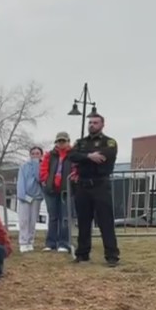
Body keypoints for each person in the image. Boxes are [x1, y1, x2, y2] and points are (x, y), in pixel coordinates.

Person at [68, 114, 120, 267]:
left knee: (105, 222)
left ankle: (111, 256)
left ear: (102, 125)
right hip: (83, 185)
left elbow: (107, 155)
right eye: (90, 122)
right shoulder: (80, 142)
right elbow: (72, 155)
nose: (91, 125)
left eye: (95, 122)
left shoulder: (109, 142)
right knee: (83, 221)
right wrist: (90, 156)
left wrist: (84, 157)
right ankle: (82, 254)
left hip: (100, 185)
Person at [40, 132, 73, 254]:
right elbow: (43, 168)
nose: (61, 143)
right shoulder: (50, 155)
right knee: (53, 217)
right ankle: (51, 243)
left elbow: (75, 168)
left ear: (68, 141)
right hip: (51, 189)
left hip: (66, 189)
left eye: (63, 141)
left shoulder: (72, 154)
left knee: (64, 217)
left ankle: (64, 243)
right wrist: (45, 180)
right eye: (59, 141)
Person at [16, 147, 45, 252]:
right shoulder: (24, 166)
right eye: (33, 153)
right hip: (25, 196)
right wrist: (22, 195)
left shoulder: (43, 166)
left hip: (37, 197)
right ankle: (23, 242)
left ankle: (30, 241)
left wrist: (37, 165)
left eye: (37, 153)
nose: (35, 155)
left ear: (41, 155)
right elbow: (21, 181)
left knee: (33, 221)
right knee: (24, 220)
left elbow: (39, 178)